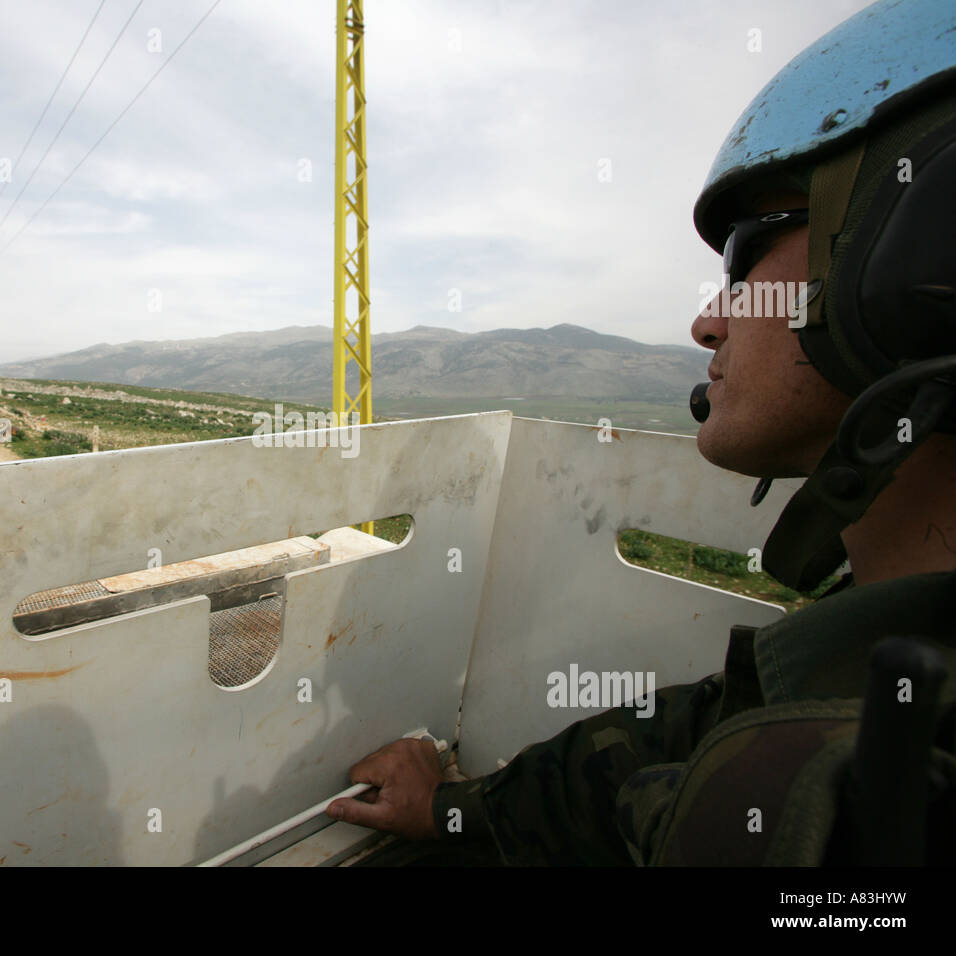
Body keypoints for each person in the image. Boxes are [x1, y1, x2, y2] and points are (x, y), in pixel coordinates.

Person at [327, 0, 956, 865]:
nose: (708, 322)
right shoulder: (850, 670)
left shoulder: (828, 804)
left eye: (743, 252)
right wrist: (457, 811)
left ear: (919, 255)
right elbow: (662, 751)